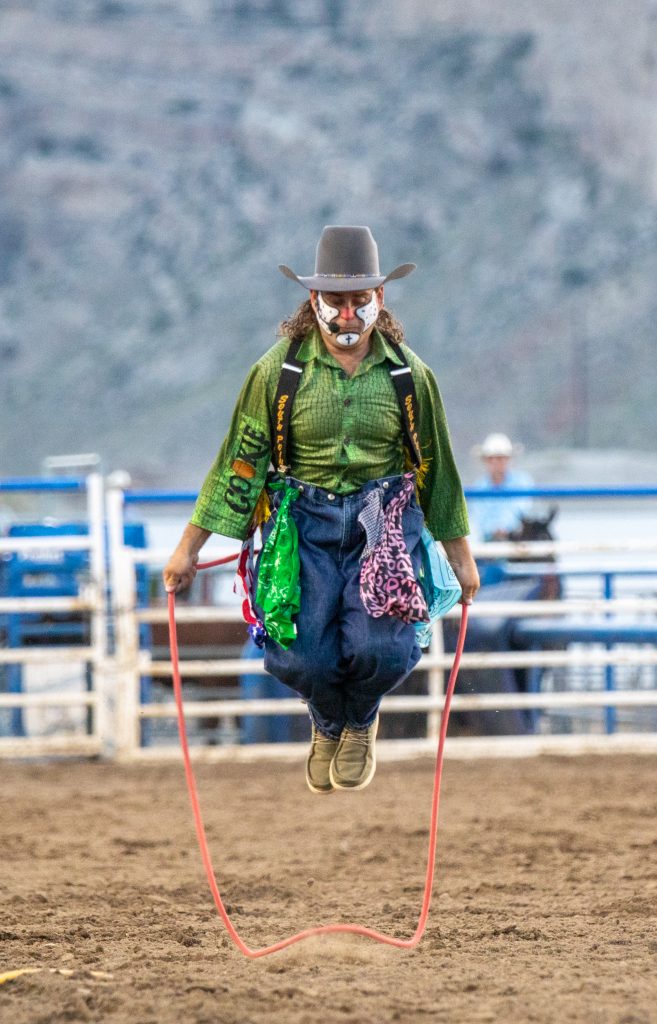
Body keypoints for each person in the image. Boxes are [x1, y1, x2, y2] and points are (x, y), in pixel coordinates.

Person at [163, 225, 479, 795]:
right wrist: (189, 549)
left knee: (384, 645)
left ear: (380, 302)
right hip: (299, 522)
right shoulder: (277, 372)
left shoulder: (411, 376)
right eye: (337, 300)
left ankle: (357, 722)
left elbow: (439, 469)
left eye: (361, 300)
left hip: (383, 520)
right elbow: (239, 463)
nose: (349, 312)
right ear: (314, 302)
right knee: (298, 654)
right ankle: (329, 721)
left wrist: (461, 558)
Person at [469, 432, 534, 541]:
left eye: (499, 458)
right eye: (490, 459)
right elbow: (478, 514)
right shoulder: (479, 486)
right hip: (488, 539)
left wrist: (504, 528)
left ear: (508, 460)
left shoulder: (522, 482)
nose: (495, 463)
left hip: (516, 537)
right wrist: (493, 529)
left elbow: (521, 508)